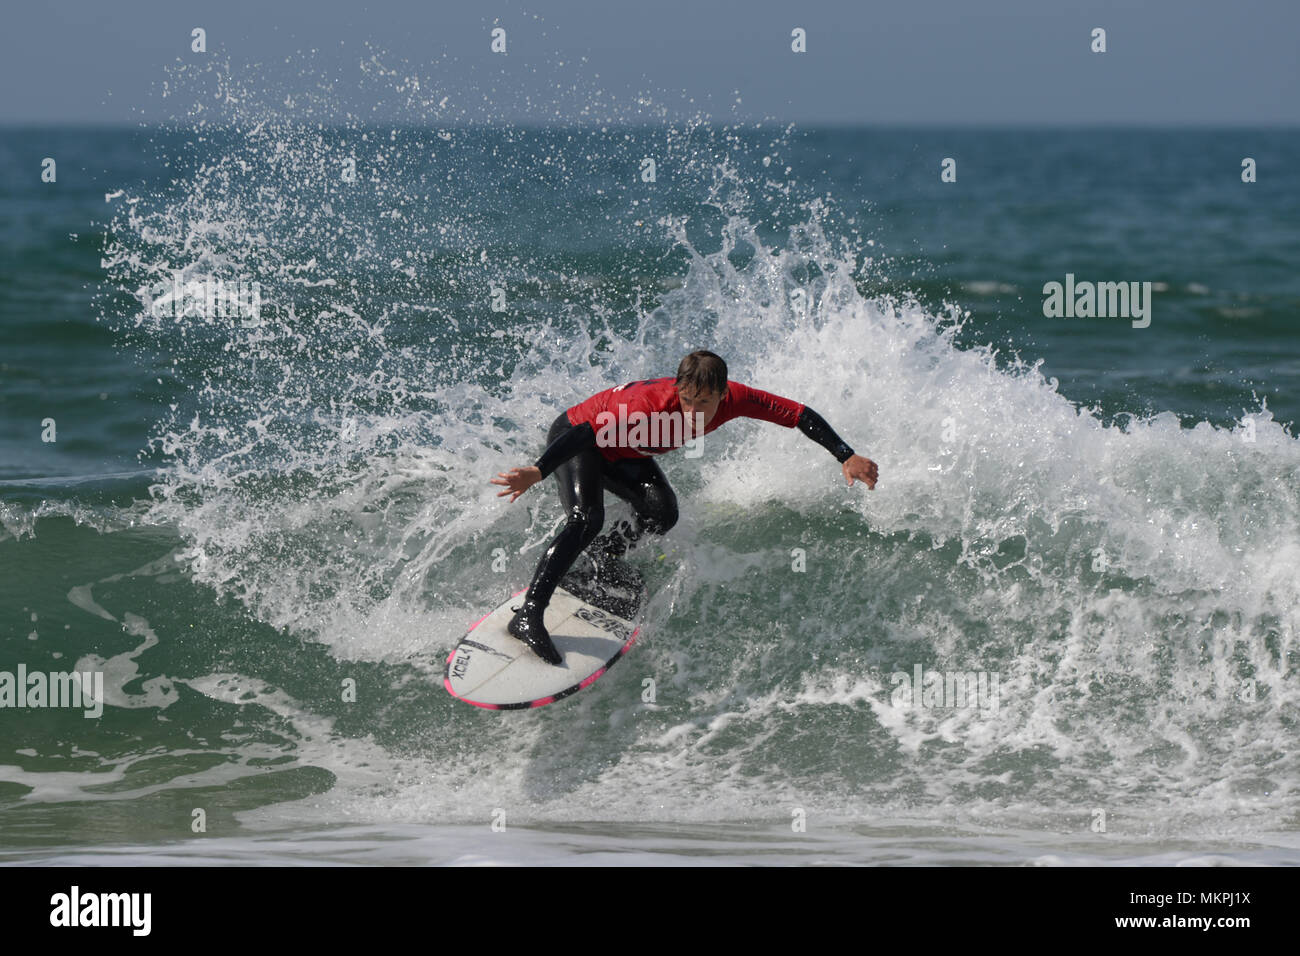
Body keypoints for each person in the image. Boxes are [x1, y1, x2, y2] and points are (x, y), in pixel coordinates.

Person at [489, 350, 879, 665]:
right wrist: (538, 472)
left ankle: (601, 562)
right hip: (581, 440)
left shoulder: (739, 398)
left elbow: (799, 415)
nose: (692, 412)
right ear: (678, 388)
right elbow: (584, 432)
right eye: (687, 400)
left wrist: (845, 455)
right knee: (587, 518)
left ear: (723, 394)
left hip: (625, 449)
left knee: (662, 513)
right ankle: (529, 614)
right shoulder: (646, 406)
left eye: (703, 403)